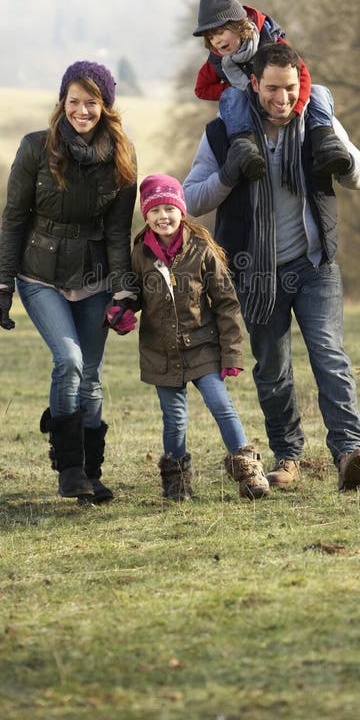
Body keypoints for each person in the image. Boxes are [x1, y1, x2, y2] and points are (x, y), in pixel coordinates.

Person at [183, 42, 360, 492]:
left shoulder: (316, 124)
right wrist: (228, 174)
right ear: (254, 83)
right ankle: (287, 457)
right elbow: (191, 198)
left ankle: (350, 453)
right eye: (272, 89)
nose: (283, 99)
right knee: (271, 366)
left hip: (313, 266)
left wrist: (343, 161)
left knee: (329, 356)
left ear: (300, 82)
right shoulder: (223, 134)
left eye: (290, 88)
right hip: (255, 272)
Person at [0, 60, 137, 503]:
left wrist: (125, 288)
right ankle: (69, 469)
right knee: (70, 361)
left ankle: (91, 474)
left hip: (93, 278)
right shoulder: (36, 148)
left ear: (105, 106)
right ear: (63, 103)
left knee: (90, 377)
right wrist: (3, 284)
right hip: (41, 276)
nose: (81, 110)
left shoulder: (122, 156)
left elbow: (117, 232)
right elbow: (14, 218)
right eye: (74, 101)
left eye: (91, 102)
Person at [107, 174, 269, 502]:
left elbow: (226, 303)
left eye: (169, 208)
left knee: (220, 404)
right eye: (154, 211)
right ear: (146, 215)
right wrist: (122, 312)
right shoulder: (140, 253)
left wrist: (232, 354)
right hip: (160, 351)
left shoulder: (202, 250)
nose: (163, 216)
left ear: (182, 211)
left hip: (202, 346)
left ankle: (249, 471)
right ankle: (177, 482)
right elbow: (136, 294)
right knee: (175, 418)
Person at [192, 0, 351, 182]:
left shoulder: (270, 41)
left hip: (283, 102)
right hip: (249, 106)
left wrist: (296, 109)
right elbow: (201, 89)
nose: (216, 40)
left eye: (221, 31)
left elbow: (302, 75)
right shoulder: (217, 60)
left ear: (238, 25)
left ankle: (326, 142)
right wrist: (240, 87)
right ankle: (244, 148)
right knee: (232, 96)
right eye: (210, 37)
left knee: (319, 91)